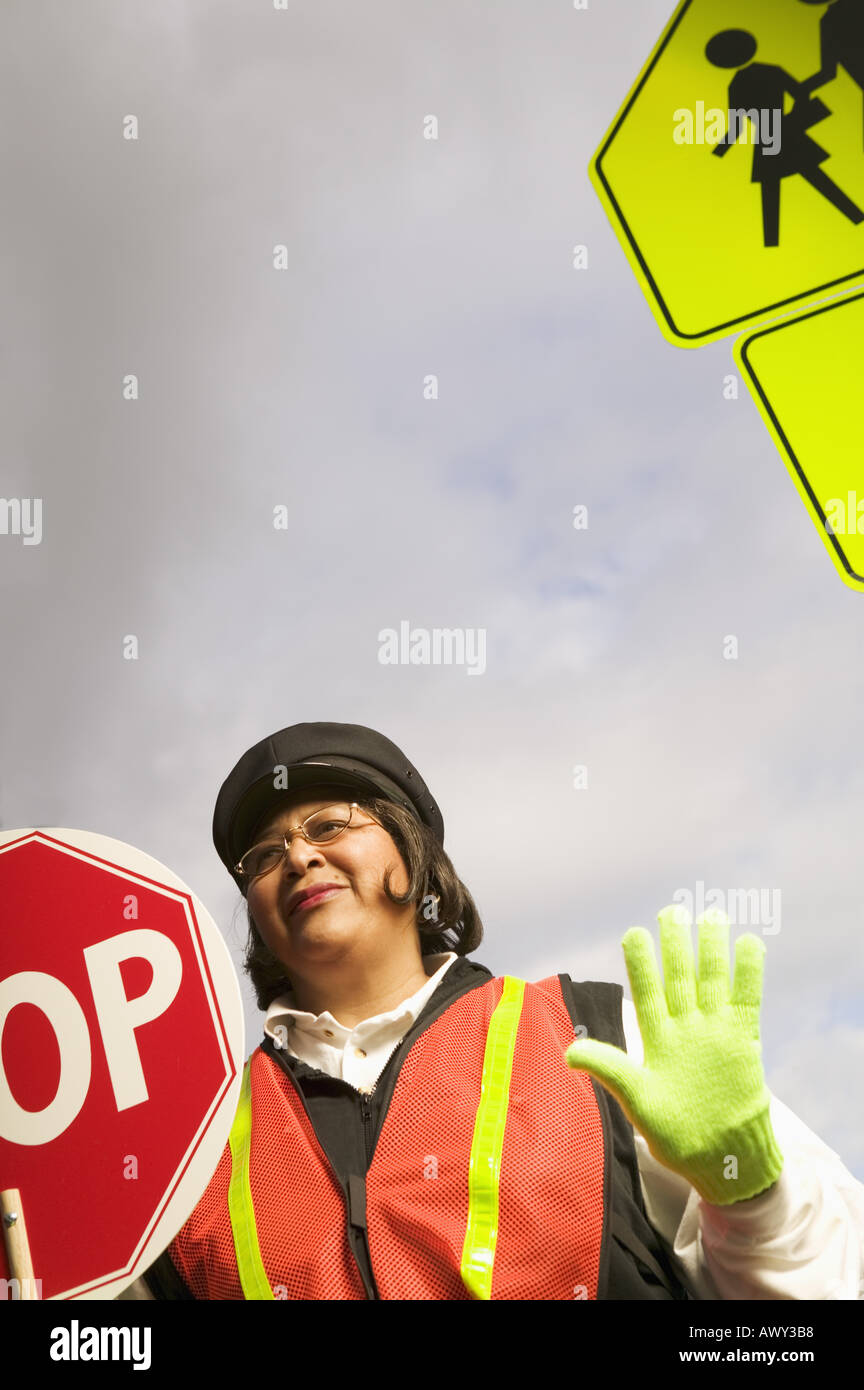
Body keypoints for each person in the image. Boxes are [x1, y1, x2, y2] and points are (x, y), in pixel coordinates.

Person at [122, 721, 864, 1300]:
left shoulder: (607, 1042)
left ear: (411, 853)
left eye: (330, 825)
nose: (298, 858)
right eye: (262, 856)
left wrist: (752, 1196)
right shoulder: (196, 1152)